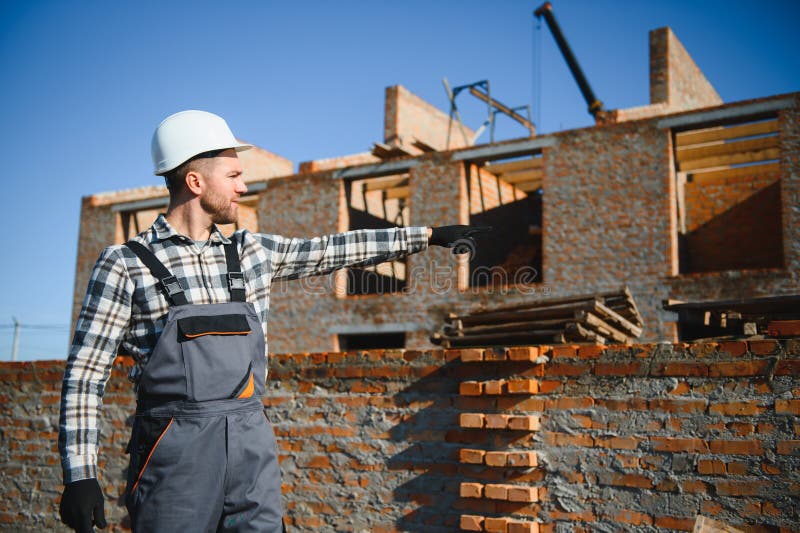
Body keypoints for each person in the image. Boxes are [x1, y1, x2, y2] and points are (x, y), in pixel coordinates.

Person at [58, 110, 488, 532]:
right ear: (195, 182)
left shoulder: (251, 253)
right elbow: (85, 373)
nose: (243, 187)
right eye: (233, 176)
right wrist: (80, 475)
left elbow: (332, 250)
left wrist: (427, 236)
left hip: (251, 448)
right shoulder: (126, 264)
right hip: (174, 456)